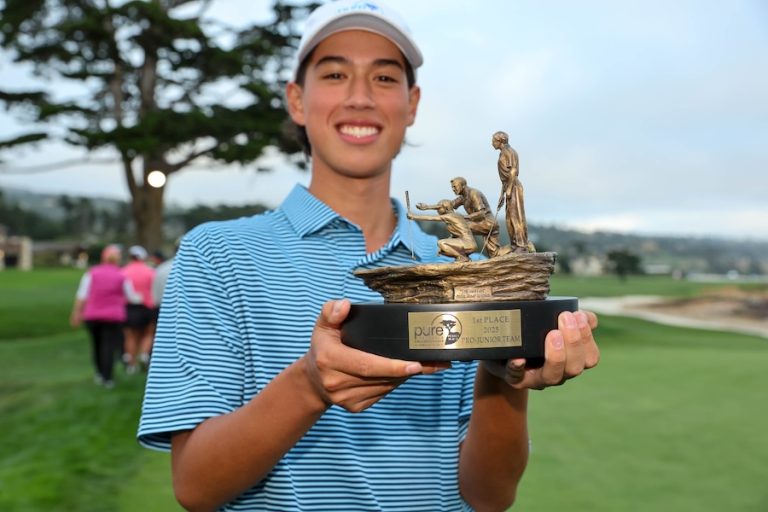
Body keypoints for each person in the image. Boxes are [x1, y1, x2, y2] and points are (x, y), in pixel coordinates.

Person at [138, 2, 599, 510]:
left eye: (384, 77)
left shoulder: (461, 268)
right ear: (296, 100)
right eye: (335, 73)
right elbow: (196, 487)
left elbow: (490, 496)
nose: (360, 97)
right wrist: (309, 386)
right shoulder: (217, 254)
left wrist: (506, 374)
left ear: (412, 103)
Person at [70, 244, 142, 388]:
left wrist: (76, 313)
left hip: (93, 316)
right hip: (113, 317)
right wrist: (141, 298)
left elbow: (82, 295)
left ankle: (99, 373)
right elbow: (131, 297)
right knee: (109, 346)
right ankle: (107, 377)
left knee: (97, 345)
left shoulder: (92, 273)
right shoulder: (121, 275)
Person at [447, 176, 509, 257]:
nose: (453, 189)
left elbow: (482, 213)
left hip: (488, 223)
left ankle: (463, 254)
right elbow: (449, 205)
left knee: (461, 227)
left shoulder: (473, 194)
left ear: (463, 185)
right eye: (452, 187)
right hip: (483, 224)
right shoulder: (463, 197)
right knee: (496, 254)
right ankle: (516, 249)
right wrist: (430, 207)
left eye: (455, 186)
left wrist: (465, 218)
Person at [493, 131, 530, 251]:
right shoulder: (502, 153)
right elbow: (505, 179)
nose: (492, 143)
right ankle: (514, 244)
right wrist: (501, 195)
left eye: (494, 140)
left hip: (514, 186)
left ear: (501, 141)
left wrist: (508, 189)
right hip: (509, 186)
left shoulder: (509, 152)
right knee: (509, 218)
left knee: (516, 216)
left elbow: (513, 171)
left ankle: (521, 244)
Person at [122, 245, 156, 373]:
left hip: (129, 307)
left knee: (131, 336)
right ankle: (144, 354)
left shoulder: (123, 271)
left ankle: (131, 364)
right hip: (146, 307)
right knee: (148, 333)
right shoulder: (150, 271)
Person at [409, 199, 478, 261]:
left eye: (439, 208)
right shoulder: (455, 216)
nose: (437, 210)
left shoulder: (449, 216)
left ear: (446, 208)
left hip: (467, 243)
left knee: (441, 243)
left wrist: (414, 216)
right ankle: (463, 258)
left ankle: (462, 257)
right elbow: (455, 236)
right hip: (469, 244)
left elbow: (431, 218)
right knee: (443, 249)